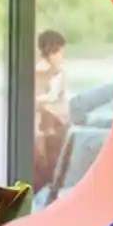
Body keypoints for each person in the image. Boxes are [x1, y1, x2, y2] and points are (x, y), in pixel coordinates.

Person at [34, 29, 70, 192]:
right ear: (53, 50)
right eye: (60, 52)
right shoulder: (53, 73)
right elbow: (49, 100)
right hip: (51, 128)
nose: (62, 56)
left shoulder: (37, 71)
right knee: (51, 169)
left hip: (44, 129)